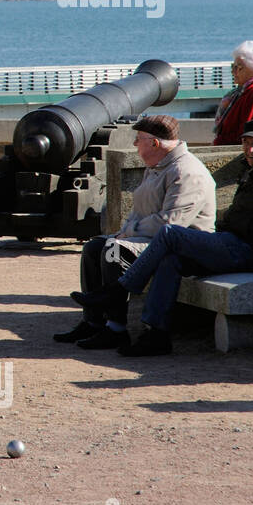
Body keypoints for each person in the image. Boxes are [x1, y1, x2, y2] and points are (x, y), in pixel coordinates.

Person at [76, 118, 253, 356]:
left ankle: (119, 290)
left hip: (245, 250)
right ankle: (156, 334)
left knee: (170, 234)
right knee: (170, 260)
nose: (250, 149)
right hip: (229, 241)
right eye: (246, 142)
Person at [56, 115, 215, 349]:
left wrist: (128, 233)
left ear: (155, 143)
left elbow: (171, 224)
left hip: (181, 245)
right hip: (149, 237)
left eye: (138, 139)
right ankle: (93, 321)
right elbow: (139, 210)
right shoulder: (156, 166)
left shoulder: (186, 172)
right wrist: (126, 231)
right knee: (94, 247)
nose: (134, 144)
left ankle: (116, 329)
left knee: (114, 251)